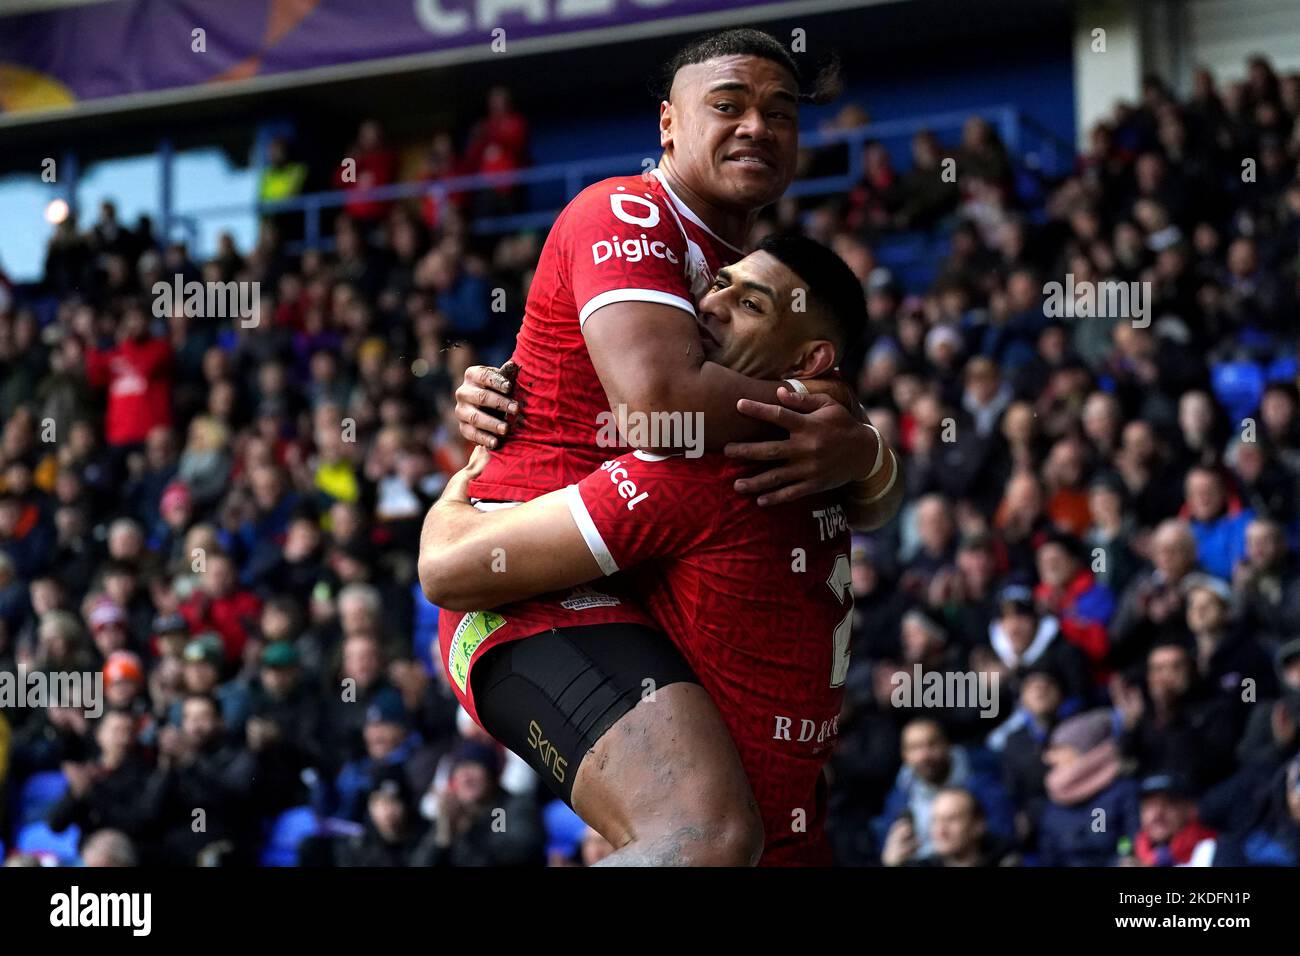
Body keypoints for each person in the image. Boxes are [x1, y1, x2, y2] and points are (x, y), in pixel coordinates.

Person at [430, 29, 898, 866]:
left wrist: (862, 451)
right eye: (728, 104)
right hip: (523, 582)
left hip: (640, 577)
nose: (757, 125)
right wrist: (824, 418)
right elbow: (657, 408)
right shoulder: (629, 211)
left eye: (780, 112)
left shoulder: (745, 274)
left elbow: (862, 487)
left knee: (699, 845)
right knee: (709, 834)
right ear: (668, 126)